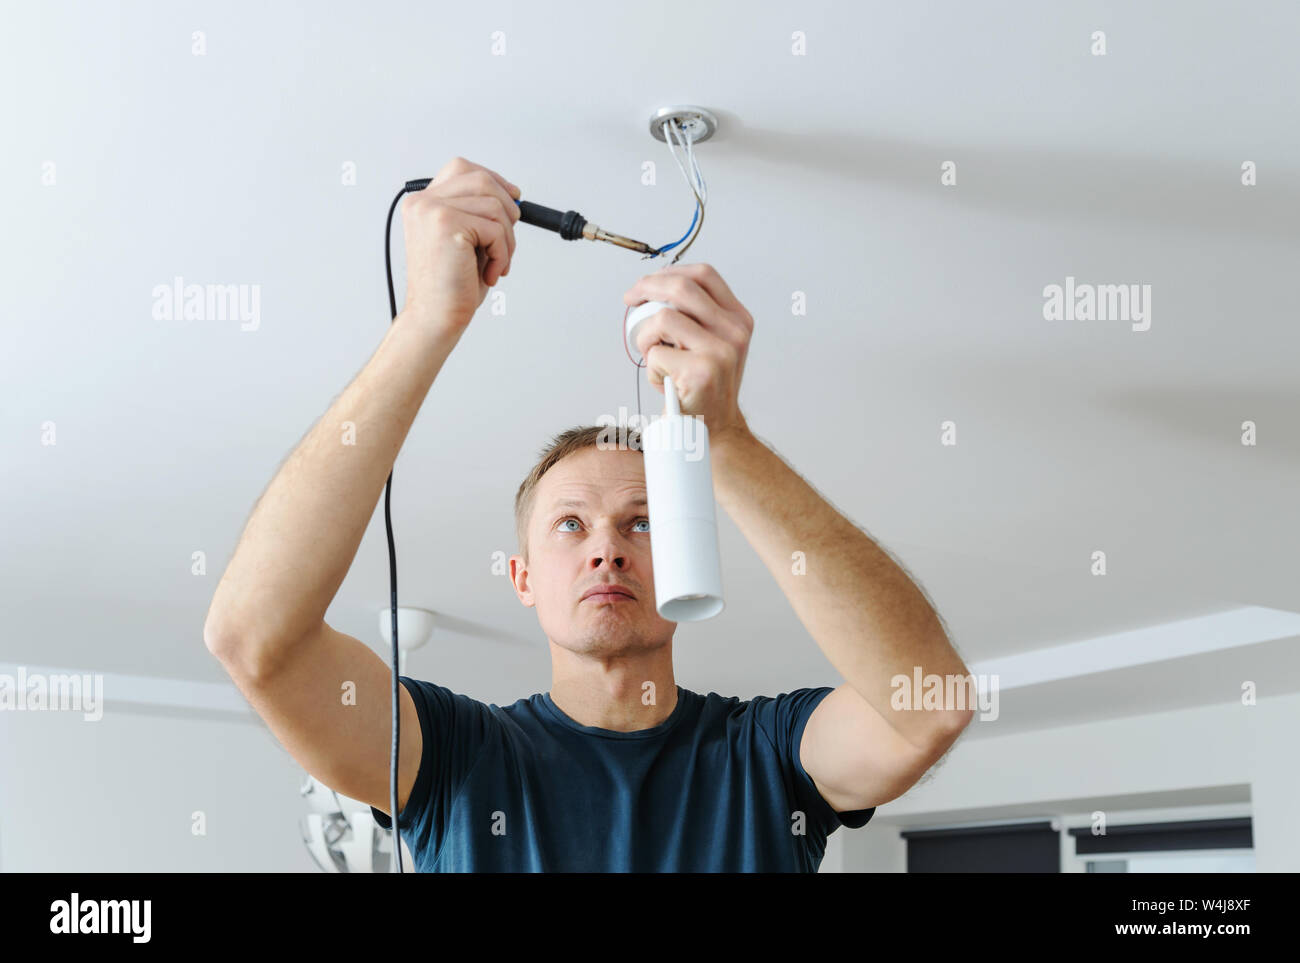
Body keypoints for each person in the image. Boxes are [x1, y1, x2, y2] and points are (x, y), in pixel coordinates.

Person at [203, 156, 974, 872]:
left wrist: (724, 440)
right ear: (523, 577)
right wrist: (425, 324)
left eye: (642, 522)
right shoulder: (455, 761)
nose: (607, 549)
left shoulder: (764, 758)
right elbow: (254, 639)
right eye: (571, 525)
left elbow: (928, 707)